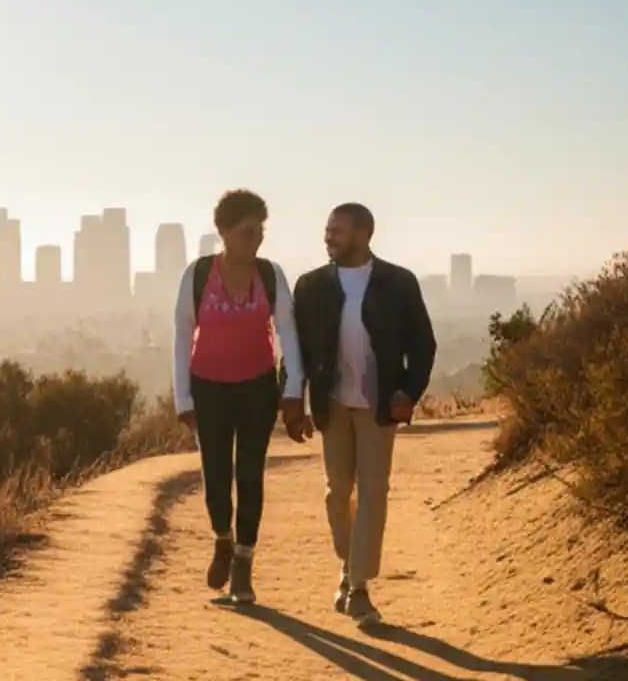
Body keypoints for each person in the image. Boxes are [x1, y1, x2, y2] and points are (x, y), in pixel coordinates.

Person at [292, 203, 436, 627]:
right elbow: (297, 351)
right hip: (332, 403)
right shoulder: (312, 285)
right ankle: (347, 563)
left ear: (363, 233)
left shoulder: (398, 282)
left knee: (373, 491)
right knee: (338, 491)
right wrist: (293, 402)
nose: (327, 236)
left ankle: (358, 587)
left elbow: (423, 345)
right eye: (327, 229)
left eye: (336, 230)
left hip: (378, 406)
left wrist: (408, 392)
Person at [173, 189, 308, 605]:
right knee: (215, 474)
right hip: (208, 389)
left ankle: (244, 564)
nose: (256, 239)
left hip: (256, 388)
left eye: (260, 230)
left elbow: (289, 334)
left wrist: (292, 393)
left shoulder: (271, 275)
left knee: (250, 474)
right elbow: (181, 337)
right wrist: (184, 402)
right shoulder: (198, 276)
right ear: (224, 233)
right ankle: (222, 539)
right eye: (248, 231)